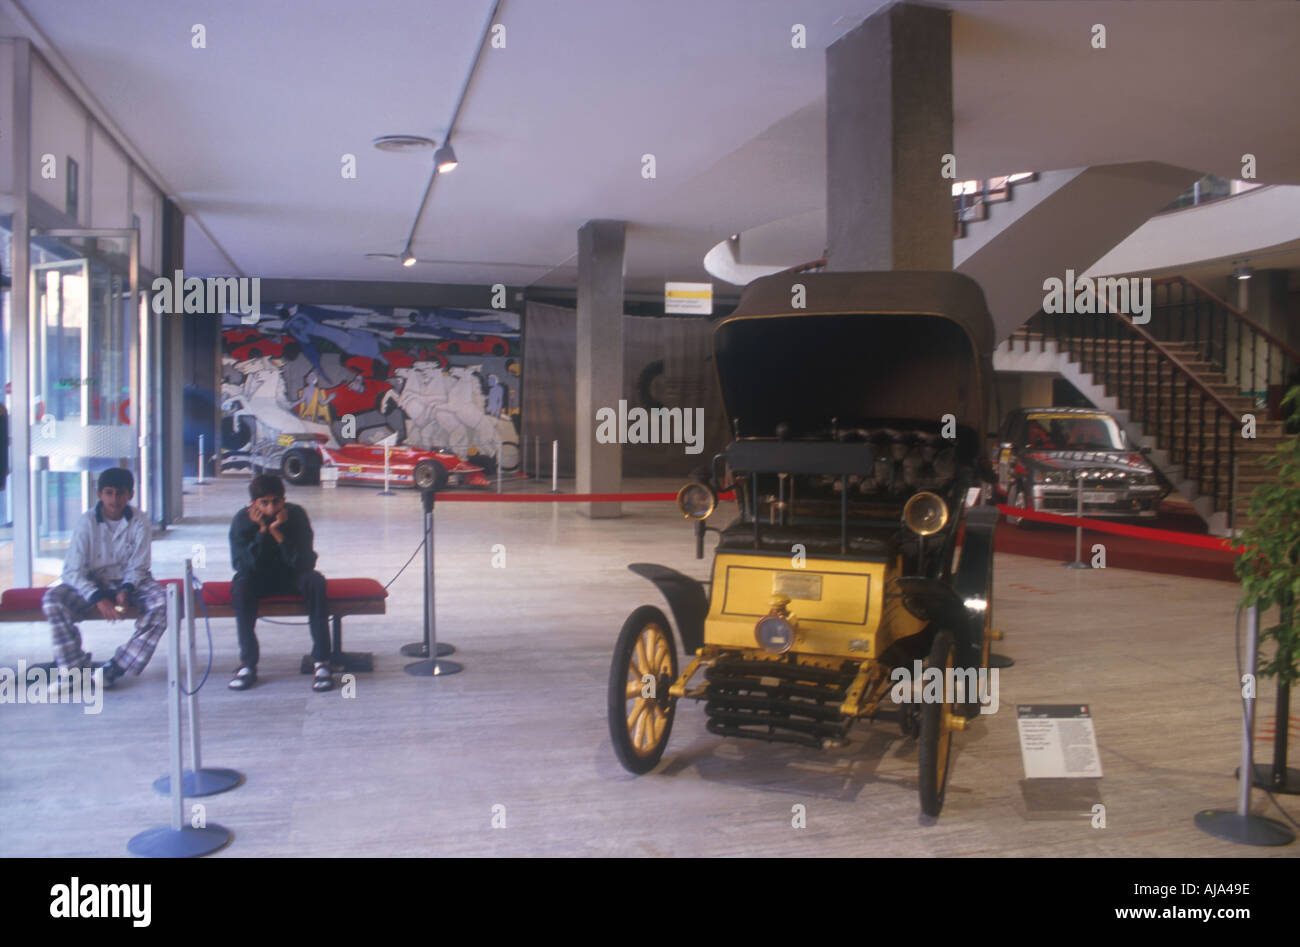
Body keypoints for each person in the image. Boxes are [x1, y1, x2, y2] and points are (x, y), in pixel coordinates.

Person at [42, 467, 167, 689]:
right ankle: (72, 670)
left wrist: (126, 589)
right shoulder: (86, 522)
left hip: (132, 581)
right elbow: (72, 571)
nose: (114, 499)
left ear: (130, 494)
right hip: (94, 582)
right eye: (108, 492)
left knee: (163, 602)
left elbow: (139, 565)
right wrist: (98, 597)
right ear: (99, 494)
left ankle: (115, 667)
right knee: (53, 600)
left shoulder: (140, 520)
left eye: (120, 493)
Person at [228, 474, 333, 692]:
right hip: (259, 579)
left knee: (315, 582)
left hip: (291, 577)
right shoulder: (241, 520)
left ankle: (322, 661)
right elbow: (242, 566)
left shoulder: (296, 515)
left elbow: (306, 562)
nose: (270, 508)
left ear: (283, 500)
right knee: (240, 586)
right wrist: (262, 533)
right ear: (253, 504)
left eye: (276, 501)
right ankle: (248, 664)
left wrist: (278, 534)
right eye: (264, 503)